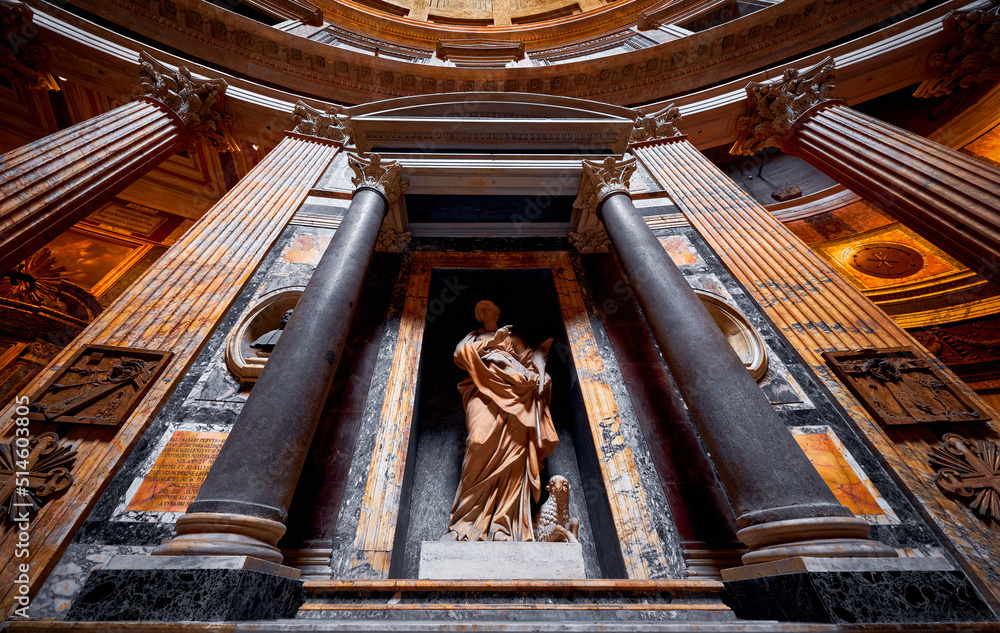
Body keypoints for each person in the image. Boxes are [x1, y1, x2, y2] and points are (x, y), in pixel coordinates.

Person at [442, 300, 559, 542]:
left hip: (518, 394)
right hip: (482, 390)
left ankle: (502, 525)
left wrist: (541, 374)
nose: (484, 313)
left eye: (487, 309)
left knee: (515, 454)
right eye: (479, 311)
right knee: (477, 441)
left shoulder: (513, 339)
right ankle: (464, 522)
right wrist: (491, 343)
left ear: (497, 312)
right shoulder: (473, 338)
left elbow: (530, 361)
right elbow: (459, 356)